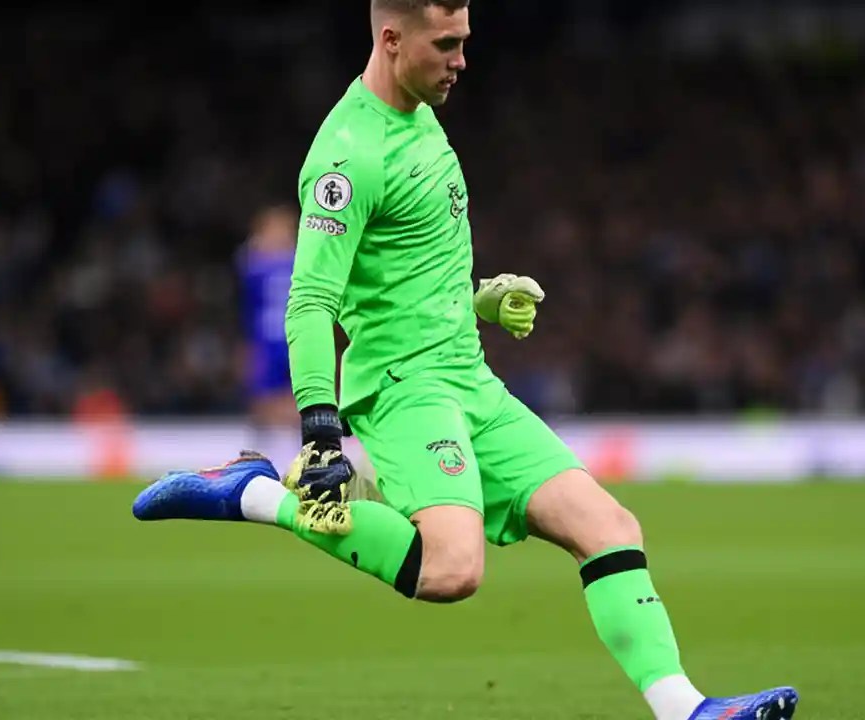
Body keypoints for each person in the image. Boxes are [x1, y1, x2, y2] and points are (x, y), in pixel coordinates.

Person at [132, 2, 798, 719]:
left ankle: (685, 710)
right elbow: (311, 302)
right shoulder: (346, 157)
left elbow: (399, 275)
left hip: (470, 381)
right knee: (452, 569)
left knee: (610, 528)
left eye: (464, 41)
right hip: (405, 390)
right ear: (391, 40)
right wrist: (321, 429)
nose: (461, 60)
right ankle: (256, 494)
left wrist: (479, 300)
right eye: (445, 44)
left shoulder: (421, 118)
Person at [236, 204, 300, 451]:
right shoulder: (293, 259)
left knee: (297, 397)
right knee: (261, 403)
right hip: (265, 341)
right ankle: (262, 454)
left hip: (291, 339)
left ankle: (300, 452)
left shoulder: (257, 262)